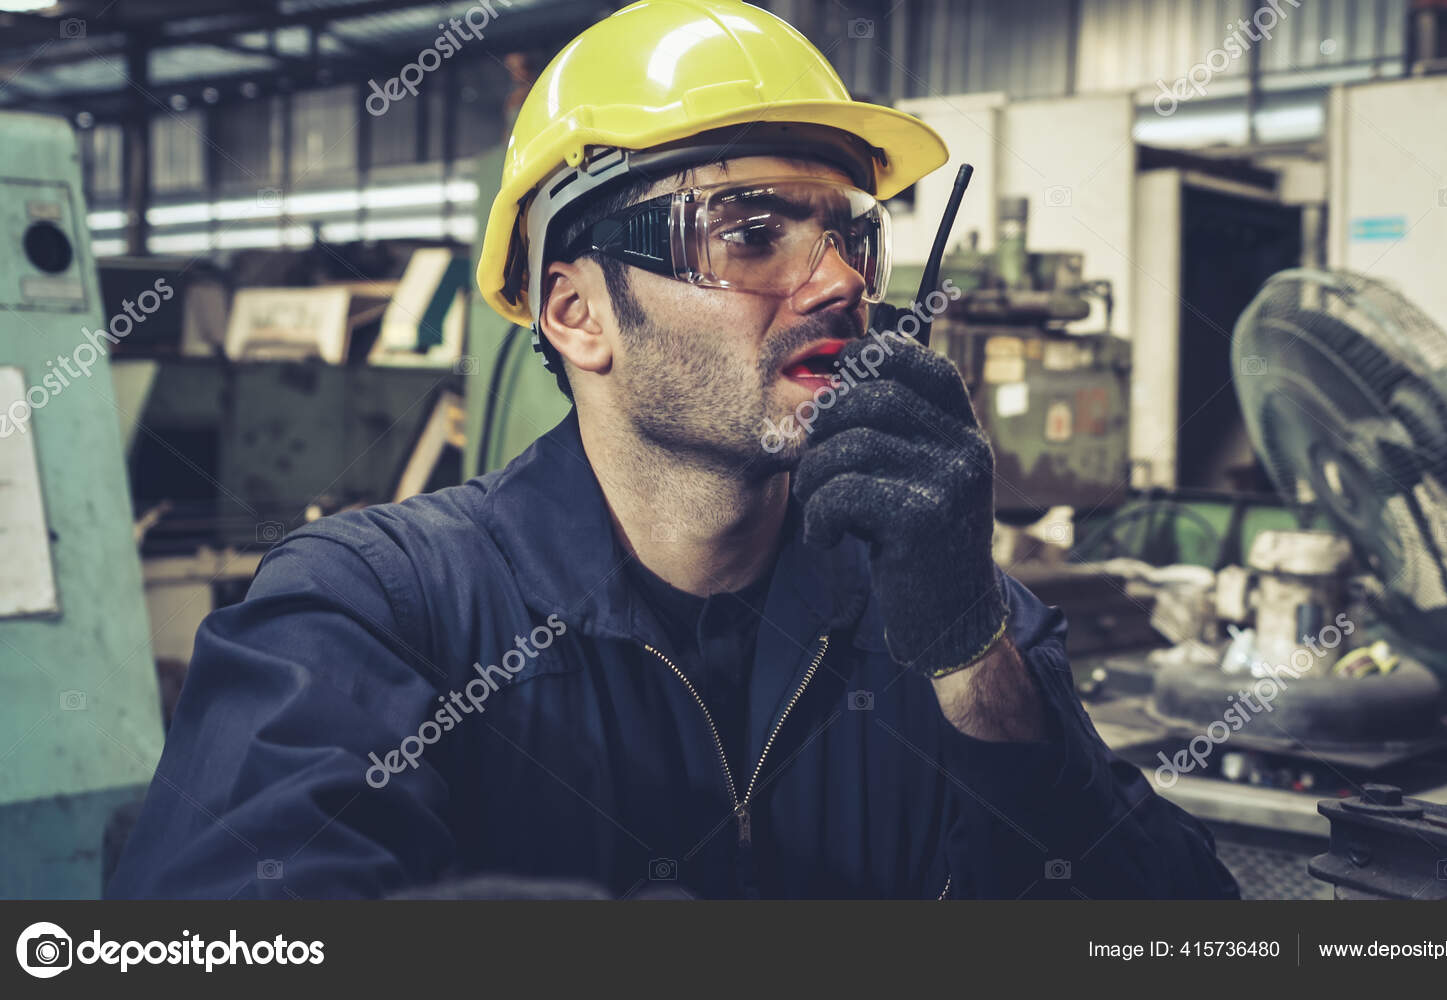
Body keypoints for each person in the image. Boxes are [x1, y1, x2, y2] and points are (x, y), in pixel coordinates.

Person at [109, 0, 1238, 900]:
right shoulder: (377, 614)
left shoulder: (933, 614)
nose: (840, 279)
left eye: (851, 233)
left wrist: (971, 661)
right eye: (750, 232)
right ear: (577, 314)